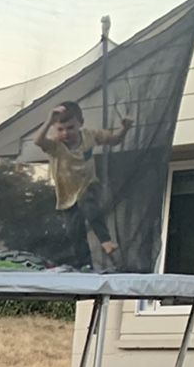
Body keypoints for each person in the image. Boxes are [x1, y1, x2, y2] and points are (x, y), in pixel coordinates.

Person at [36, 100, 134, 270]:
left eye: (70, 128)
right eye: (60, 129)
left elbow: (114, 140)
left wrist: (124, 129)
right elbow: (38, 141)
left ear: (80, 124)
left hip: (88, 185)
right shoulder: (55, 145)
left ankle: (106, 241)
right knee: (75, 232)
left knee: (89, 206)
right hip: (67, 195)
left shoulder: (90, 135)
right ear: (54, 129)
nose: (66, 133)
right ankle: (85, 264)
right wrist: (49, 120)